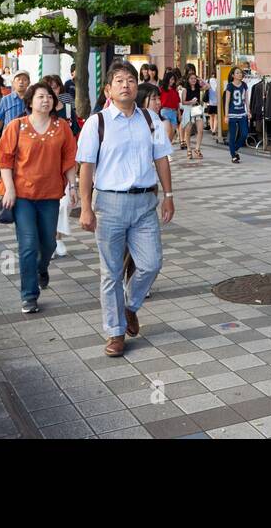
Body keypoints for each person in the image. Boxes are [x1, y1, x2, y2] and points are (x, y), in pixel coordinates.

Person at [77, 61, 176, 358]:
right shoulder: (98, 123)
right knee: (111, 273)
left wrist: (169, 195)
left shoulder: (150, 120)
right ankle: (115, 332)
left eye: (130, 80)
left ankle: (129, 307)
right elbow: (86, 166)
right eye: (119, 80)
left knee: (151, 263)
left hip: (145, 203)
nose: (126, 84)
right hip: (110, 205)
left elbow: (161, 159)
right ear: (108, 89)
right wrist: (85, 207)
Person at [0, 81, 78, 314]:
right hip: (22, 196)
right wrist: (9, 189)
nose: (46, 100)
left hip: (51, 194)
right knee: (28, 245)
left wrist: (73, 187)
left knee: (49, 243)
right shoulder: (16, 126)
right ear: (30, 101)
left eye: (49, 97)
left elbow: (69, 160)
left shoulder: (61, 127)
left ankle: (42, 268)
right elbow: (5, 160)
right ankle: (29, 295)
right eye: (40, 96)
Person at [0, 71, 31, 152]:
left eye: (24, 80)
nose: (21, 82)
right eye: (18, 79)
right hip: (9, 137)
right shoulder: (5, 99)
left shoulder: (33, 99)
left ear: (29, 83)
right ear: (13, 82)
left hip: (29, 137)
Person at [225, 68, 249, 163]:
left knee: (244, 133)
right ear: (233, 75)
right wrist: (226, 116)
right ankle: (233, 156)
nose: (240, 74)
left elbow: (246, 100)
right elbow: (227, 102)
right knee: (232, 135)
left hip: (242, 113)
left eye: (240, 73)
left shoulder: (244, 85)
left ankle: (234, 149)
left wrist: (249, 111)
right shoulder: (230, 86)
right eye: (237, 73)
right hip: (232, 114)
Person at [180, 72, 205, 160]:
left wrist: (201, 79)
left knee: (200, 130)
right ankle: (189, 149)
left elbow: (208, 86)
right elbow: (183, 102)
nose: (193, 80)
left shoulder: (198, 88)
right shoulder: (185, 89)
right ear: (188, 80)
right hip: (189, 110)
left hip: (197, 109)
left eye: (195, 78)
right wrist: (191, 102)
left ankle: (197, 148)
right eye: (191, 78)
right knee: (188, 131)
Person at [159, 71, 182, 143]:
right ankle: (165, 151)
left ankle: (167, 151)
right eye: (171, 79)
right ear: (167, 79)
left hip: (174, 113)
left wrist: (179, 114)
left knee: (172, 133)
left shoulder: (175, 91)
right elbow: (158, 102)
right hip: (165, 112)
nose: (173, 81)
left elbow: (177, 103)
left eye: (174, 79)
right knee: (168, 131)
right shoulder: (161, 89)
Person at [206, 73, 221, 139]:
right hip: (217, 102)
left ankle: (212, 129)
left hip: (209, 102)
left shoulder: (208, 80)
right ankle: (214, 130)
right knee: (216, 117)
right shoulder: (218, 80)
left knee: (211, 117)